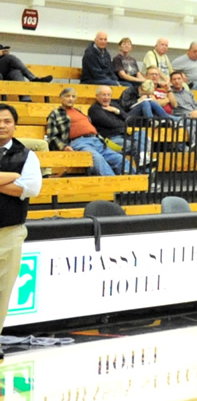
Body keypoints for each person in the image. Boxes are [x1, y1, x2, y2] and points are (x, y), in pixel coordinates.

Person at [0, 104, 43, 341]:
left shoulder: (27, 155)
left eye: (6, 121)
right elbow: (20, 185)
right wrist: (13, 178)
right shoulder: (21, 164)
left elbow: (32, 188)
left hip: (8, 232)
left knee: (2, 292)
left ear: (14, 125)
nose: (1, 125)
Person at [44, 87, 124, 176]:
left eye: (73, 96)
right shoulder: (55, 114)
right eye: (67, 96)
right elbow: (51, 136)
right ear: (61, 98)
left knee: (119, 158)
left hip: (97, 141)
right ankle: (114, 184)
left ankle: (137, 184)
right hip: (79, 142)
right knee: (97, 158)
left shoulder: (79, 111)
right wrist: (64, 147)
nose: (71, 99)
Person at [88, 85, 129, 154]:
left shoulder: (114, 105)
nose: (106, 98)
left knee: (143, 136)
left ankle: (142, 158)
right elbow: (110, 123)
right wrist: (123, 123)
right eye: (103, 95)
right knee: (135, 144)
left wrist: (117, 111)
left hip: (124, 134)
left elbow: (129, 119)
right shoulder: (95, 109)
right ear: (97, 96)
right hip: (111, 138)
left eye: (109, 95)